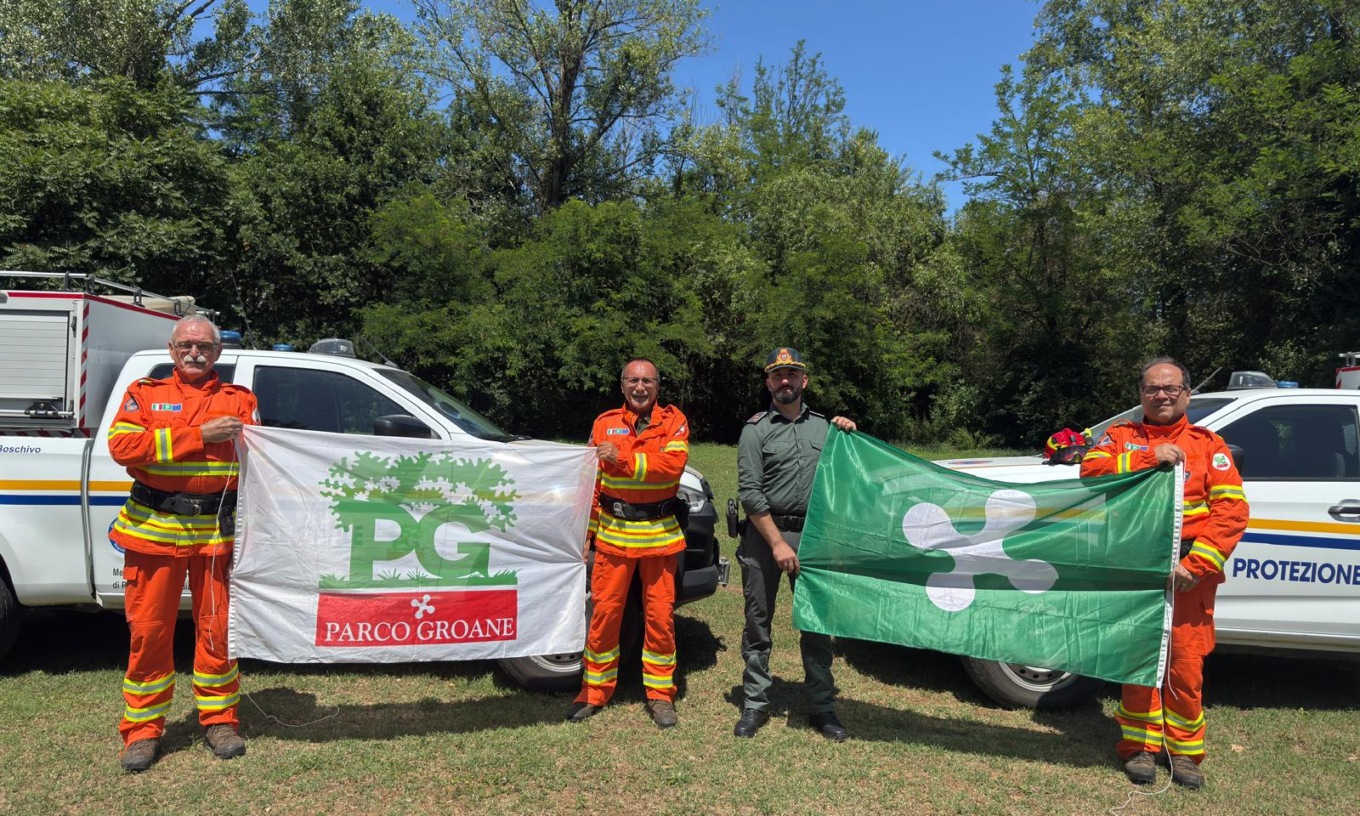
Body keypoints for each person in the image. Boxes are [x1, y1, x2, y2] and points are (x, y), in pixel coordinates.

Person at [1080, 357, 1248, 790]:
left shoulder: (1209, 446)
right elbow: (1090, 473)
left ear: (1186, 394)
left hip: (1188, 575)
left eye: (1170, 389)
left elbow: (1231, 512)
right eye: (1152, 388)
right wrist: (1147, 458)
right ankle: (1139, 747)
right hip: (1136, 571)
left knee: (1184, 667)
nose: (1161, 395)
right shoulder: (1121, 437)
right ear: (1141, 395)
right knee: (1138, 660)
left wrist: (1196, 565)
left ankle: (1184, 754)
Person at [108, 316, 258, 772]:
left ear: (218, 352)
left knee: (217, 632)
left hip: (216, 536)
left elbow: (262, 457)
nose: (195, 353)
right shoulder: (144, 393)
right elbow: (122, 447)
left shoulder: (240, 400)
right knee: (149, 634)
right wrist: (199, 436)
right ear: (172, 350)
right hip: (153, 533)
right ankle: (142, 731)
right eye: (186, 345)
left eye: (204, 346)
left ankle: (220, 721)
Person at [733, 347, 857, 741]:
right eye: (777, 375)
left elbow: (849, 474)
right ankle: (755, 704)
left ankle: (822, 706)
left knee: (817, 623)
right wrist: (777, 544)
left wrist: (850, 434)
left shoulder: (827, 429)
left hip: (814, 537)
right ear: (768, 382)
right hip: (764, 535)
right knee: (758, 623)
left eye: (791, 374)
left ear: (804, 380)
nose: (784, 381)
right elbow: (750, 493)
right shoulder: (755, 430)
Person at [567, 359, 691, 729]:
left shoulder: (674, 421)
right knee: (604, 617)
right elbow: (592, 485)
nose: (640, 387)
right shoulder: (603, 423)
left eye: (647, 381)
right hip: (613, 538)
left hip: (659, 538)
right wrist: (586, 536)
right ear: (622, 385)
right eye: (633, 380)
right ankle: (593, 692)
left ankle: (660, 695)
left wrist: (621, 458)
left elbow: (671, 467)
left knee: (659, 619)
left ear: (657, 386)